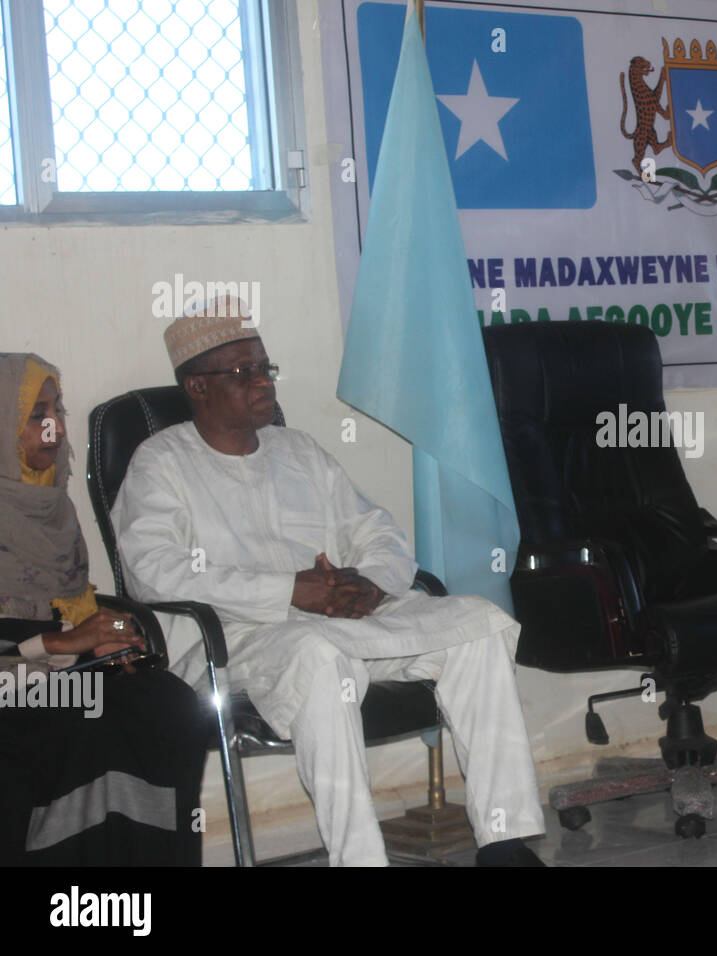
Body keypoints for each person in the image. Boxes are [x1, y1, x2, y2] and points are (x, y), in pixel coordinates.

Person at [111, 302, 546, 866]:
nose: (263, 384)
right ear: (197, 386)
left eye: (266, 368)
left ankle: (504, 843)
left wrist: (369, 583)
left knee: (475, 625)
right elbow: (157, 572)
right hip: (235, 639)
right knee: (318, 658)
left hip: (342, 622)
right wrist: (290, 591)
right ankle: (360, 859)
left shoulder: (299, 452)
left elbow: (376, 531)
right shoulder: (160, 464)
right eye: (243, 373)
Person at [0, 353, 205, 865]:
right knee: (81, 718)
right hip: (13, 677)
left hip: (55, 668)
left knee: (166, 702)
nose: (54, 424)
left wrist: (108, 637)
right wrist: (61, 645)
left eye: (59, 408)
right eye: (34, 413)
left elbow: (74, 607)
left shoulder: (54, 509)